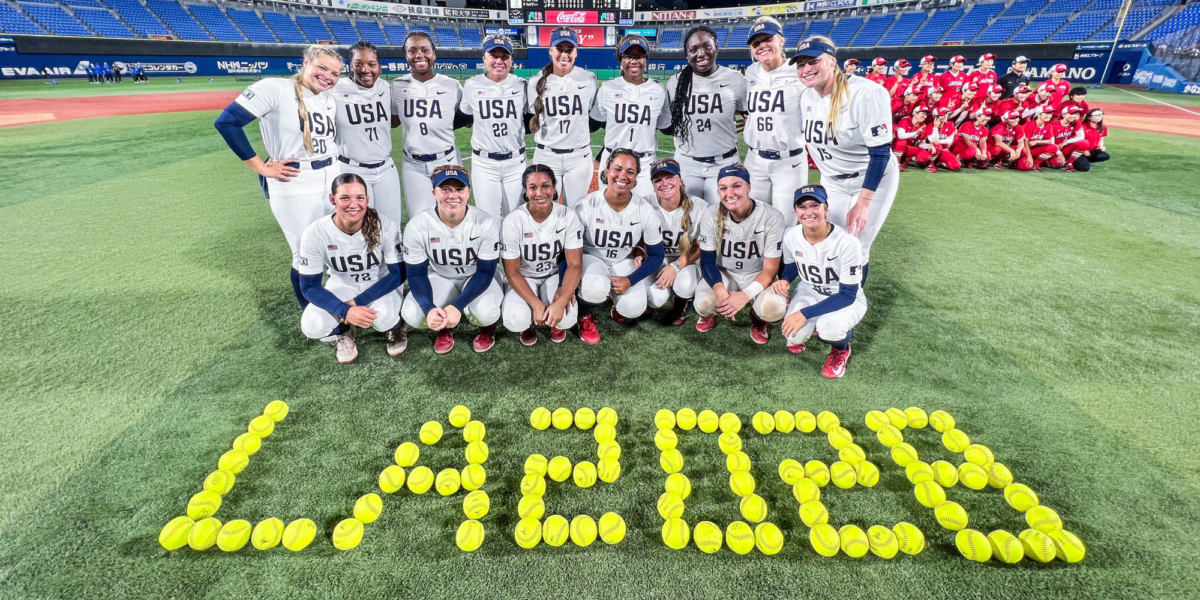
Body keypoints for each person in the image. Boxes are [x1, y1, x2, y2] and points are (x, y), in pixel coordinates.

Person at [214, 45, 343, 309]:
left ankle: (335, 297)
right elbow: (227, 122)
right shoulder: (275, 88)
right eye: (322, 67)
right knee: (305, 253)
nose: (328, 76)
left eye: (335, 73)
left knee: (334, 242)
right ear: (306, 62)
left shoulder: (328, 98)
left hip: (332, 176)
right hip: (294, 181)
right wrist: (261, 167)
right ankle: (314, 314)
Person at [793, 36, 899, 285]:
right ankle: (828, 294)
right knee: (831, 241)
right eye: (801, 64)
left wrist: (863, 202)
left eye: (814, 61)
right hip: (833, 180)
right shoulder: (807, 95)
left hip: (872, 180)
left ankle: (848, 310)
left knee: (856, 245)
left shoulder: (867, 93)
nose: (806, 68)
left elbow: (881, 153)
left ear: (832, 61)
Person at [298, 174, 406, 364]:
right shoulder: (315, 233)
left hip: (380, 284)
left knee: (384, 318)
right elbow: (308, 286)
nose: (353, 204)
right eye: (345, 198)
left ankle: (396, 326)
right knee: (312, 325)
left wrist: (356, 303)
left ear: (367, 199)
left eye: (359, 197)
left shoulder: (384, 225)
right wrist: (345, 310)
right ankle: (343, 333)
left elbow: (399, 273)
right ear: (332, 199)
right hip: (341, 286)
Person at [401, 166, 503, 354]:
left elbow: (486, 272)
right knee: (413, 314)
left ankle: (486, 326)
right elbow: (416, 274)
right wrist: (429, 308)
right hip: (440, 276)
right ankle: (444, 325)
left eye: (459, 189)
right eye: (445, 189)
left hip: (477, 277)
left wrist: (457, 306)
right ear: (434, 192)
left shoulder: (485, 222)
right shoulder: (418, 225)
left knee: (486, 313)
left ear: (468, 192)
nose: (453, 195)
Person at [573, 149, 665, 343]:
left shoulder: (644, 210)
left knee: (634, 308)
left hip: (622, 258)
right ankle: (584, 315)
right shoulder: (586, 205)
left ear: (636, 178)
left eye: (630, 172)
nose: (623, 176)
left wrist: (630, 280)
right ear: (606, 171)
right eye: (618, 169)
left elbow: (657, 255)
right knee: (595, 287)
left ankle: (615, 305)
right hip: (591, 257)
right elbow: (568, 252)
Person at [775, 185, 866, 379]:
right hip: (809, 291)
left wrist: (804, 313)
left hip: (844, 298)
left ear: (826, 209)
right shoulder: (791, 235)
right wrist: (784, 280)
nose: (808, 212)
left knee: (830, 329)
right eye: (802, 206)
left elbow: (847, 295)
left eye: (815, 205)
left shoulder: (848, 243)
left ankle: (841, 350)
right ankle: (811, 326)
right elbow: (791, 266)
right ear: (795, 211)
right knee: (792, 335)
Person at [693, 164, 787, 342]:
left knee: (773, 310)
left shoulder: (772, 216)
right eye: (723, 188)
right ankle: (713, 312)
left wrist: (745, 295)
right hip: (724, 272)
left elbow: (770, 269)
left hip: (757, 273)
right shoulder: (711, 214)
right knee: (704, 304)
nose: (730, 193)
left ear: (749, 187)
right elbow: (706, 262)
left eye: (736, 186)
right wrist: (720, 292)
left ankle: (758, 317)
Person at [500, 165, 584, 345]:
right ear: (526, 191)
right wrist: (535, 304)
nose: (540, 192)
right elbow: (512, 271)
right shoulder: (513, 221)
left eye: (545, 186)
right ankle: (528, 323)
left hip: (554, 276)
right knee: (516, 319)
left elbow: (574, 265)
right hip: (525, 276)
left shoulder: (568, 216)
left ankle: (553, 319)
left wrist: (561, 300)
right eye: (533, 187)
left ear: (554, 188)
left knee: (568, 318)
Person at [667, 26, 746, 204]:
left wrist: (749, 122)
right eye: (693, 50)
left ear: (716, 46)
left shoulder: (736, 79)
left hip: (724, 162)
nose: (701, 53)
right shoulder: (676, 82)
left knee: (721, 220)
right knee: (686, 219)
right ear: (687, 55)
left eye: (706, 46)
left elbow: (748, 111)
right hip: (687, 162)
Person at [393, 31, 467, 220]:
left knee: (452, 216)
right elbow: (393, 120)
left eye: (425, 50)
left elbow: (467, 118)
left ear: (434, 54)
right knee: (419, 219)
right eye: (412, 51)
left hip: (447, 159)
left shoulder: (452, 85)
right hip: (414, 163)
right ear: (406, 56)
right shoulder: (397, 86)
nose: (419, 55)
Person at [742, 17, 808, 225]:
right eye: (756, 43)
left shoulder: (799, 70)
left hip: (789, 160)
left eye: (767, 39)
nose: (762, 46)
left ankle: (784, 259)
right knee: (749, 219)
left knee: (786, 222)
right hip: (754, 159)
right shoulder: (751, 72)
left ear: (781, 40)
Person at [591, 34, 671, 197]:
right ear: (620, 59)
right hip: (613, 161)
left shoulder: (659, 90)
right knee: (608, 212)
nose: (634, 61)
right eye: (628, 56)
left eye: (639, 56)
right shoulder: (607, 88)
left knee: (644, 211)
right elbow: (596, 122)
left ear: (646, 59)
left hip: (644, 162)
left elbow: (665, 126)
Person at [333, 41, 403, 226]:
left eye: (371, 64)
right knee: (359, 225)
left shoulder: (386, 88)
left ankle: (393, 255)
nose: (365, 69)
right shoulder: (335, 90)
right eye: (358, 63)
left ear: (379, 67)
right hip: (352, 169)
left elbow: (395, 120)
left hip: (386, 168)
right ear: (350, 65)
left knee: (392, 224)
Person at [528, 27, 600, 207]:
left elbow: (594, 117)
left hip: (578, 157)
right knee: (544, 210)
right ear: (551, 51)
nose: (564, 54)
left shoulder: (588, 79)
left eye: (569, 50)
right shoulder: (535, 82)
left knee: (576, 211)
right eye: (560, 49)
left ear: (576, 52)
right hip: (546, 155)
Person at [460, 35, 528, 220]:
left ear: (511, 60)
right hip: (484, 163)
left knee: (516, 220)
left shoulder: (522, 85)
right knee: (487, 220)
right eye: (493, 55)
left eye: (504, 56)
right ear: (484, 58)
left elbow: (530, 119)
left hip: (516, 162)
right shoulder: (472, 85)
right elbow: (466, 116)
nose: (499, 61)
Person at [647, 159, 707, 325]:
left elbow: (703, 246)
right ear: (653, 185)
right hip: (657, 257)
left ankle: (681, 303)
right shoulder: (645, 204)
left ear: (680, 180)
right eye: (658, 180)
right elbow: (637, 240)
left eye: (669, 177)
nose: (664, 183)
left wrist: (677, 265)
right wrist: (639, 254)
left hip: (687, 259)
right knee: (655, 297)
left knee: (685, 286)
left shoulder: (700, 207)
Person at [1022, 105, 1063, 171]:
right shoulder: (1029, 125)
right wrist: (1029, 156)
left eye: (1050, 113)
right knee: (1026, 167)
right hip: (1023, 150)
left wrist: (1037, 141)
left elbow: (1050, 141)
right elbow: (1025, 143)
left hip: (1034, 150)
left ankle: (1036, 164)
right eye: (1046, 113)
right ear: (1038, 114)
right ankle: (1016, 161)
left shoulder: (1048, 126)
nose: (1049, 115)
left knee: (1054, 148)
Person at [893, 104, 931, 170]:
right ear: (915, 113)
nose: (924, 116)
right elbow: (900, 136)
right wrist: (915, 133)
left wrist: (929, 146)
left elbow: (920, 144)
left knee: (925, 156)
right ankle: (896, 163)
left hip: (909, 148)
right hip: (897, 147)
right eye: (923, 113)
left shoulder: (923, 126)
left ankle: (906, 159)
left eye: (926, 114)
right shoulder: (905, 120)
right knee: (901, 142)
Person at [1050, 106, 1087, 172]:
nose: (1074, 116)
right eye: (1071, 114)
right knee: (1056, 163)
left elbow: (1081, 137)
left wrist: (1066, 142)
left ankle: (1068, 163)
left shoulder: (1076, 122)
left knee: (1084, 142)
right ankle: (1048, 160)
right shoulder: (1053, 125)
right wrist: (1059, 153)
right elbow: (1050, 143)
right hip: (1054, 149)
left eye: (1076, 114)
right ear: (1064, 114)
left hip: (1065, 147)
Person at [923, 107, 961, 172]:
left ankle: (939, 162)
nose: (945, 116)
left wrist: (939, 141)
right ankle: (929, 165)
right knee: (937, 146)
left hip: (944, 150)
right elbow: (933, 140)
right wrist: (935, 127)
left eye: (946, 114)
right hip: (931, 150)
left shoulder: (950, 124)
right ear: (936, 116)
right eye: (943, 114)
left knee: (956, 165)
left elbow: (949, 141)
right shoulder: (930, 126)